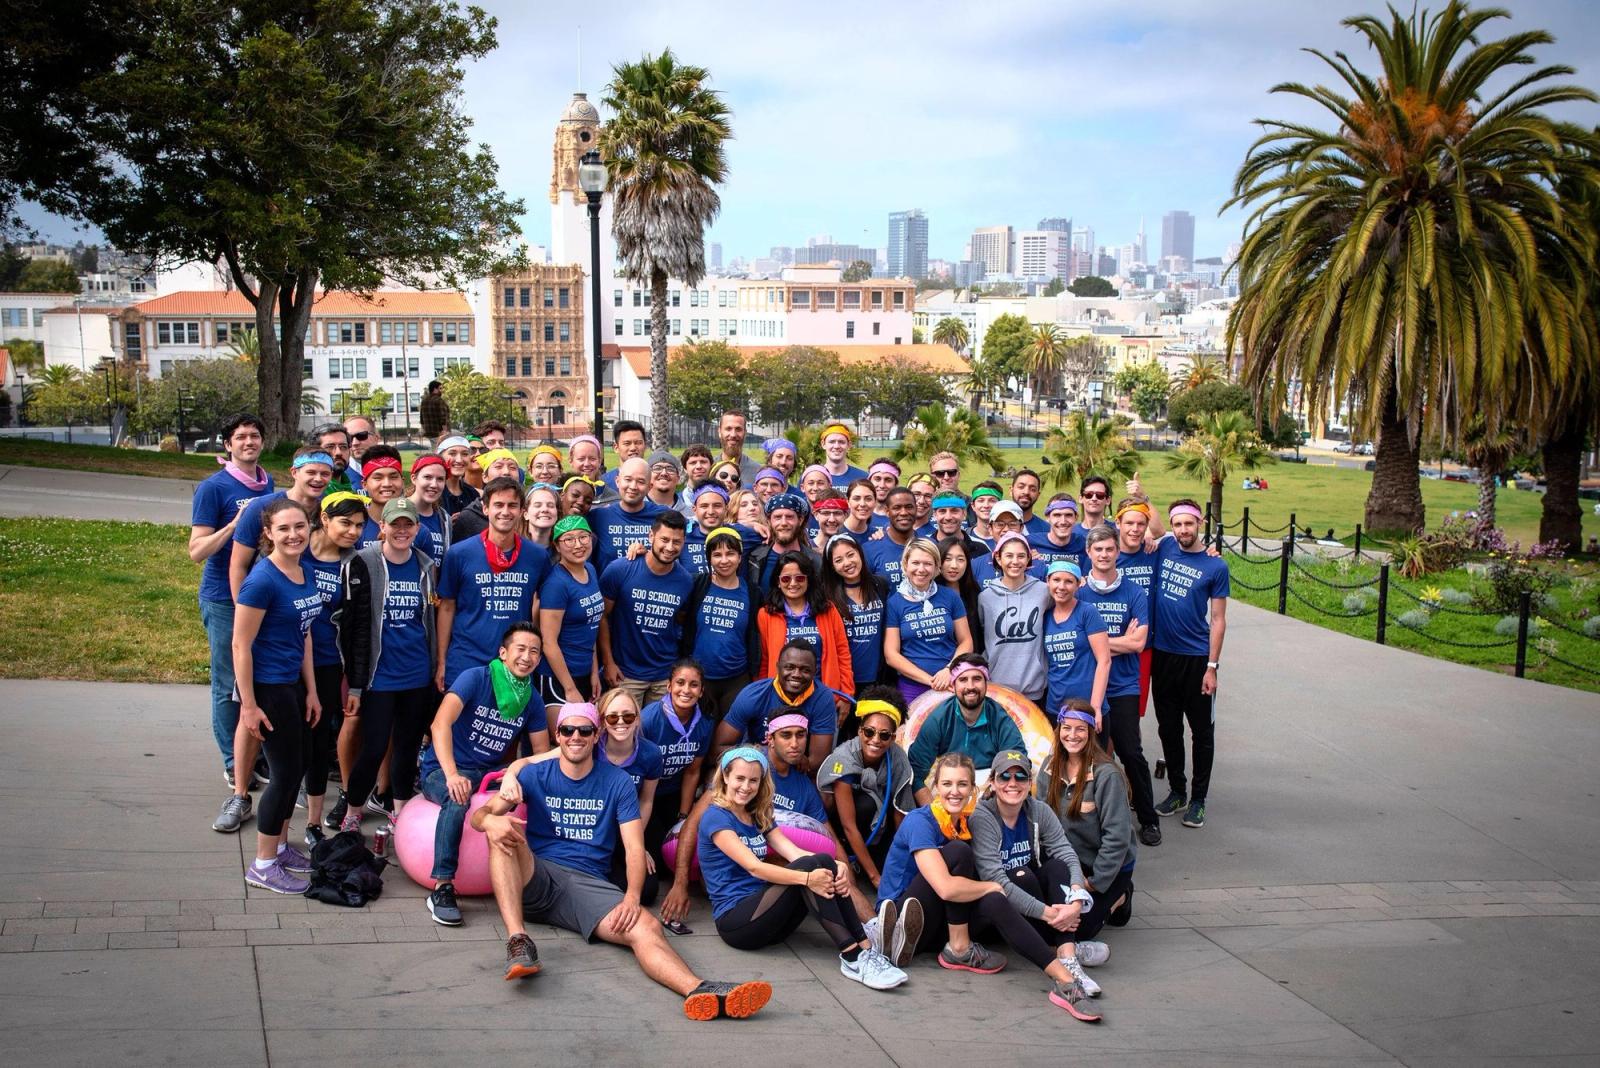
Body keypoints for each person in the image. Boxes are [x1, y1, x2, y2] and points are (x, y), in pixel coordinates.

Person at [473, 703, 773, 1020]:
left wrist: (632, 896)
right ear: (557, 736)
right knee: (501, 833)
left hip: (586, 885)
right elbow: (481, 815)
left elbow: (633, 846)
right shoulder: (534, 774)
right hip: (537, 875)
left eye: (585, 731)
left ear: (596, 736)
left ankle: (699, 989)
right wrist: (490, 821)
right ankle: (518, 940)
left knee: (646, 925)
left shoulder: (617, 781)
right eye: (568, 730)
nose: (576, 737)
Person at [876, 752, 1101, 1021]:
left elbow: (1063, 853)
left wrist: (1074, 898)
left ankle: (1064, 978)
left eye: (962, 784)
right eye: (947, 784)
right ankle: (920, 940)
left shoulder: (963, 823)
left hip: (941, 923)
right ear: (935, 787)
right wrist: (991, 886)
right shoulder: (920, 820)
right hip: (907, 912)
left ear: (973, 789)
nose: (955, 791)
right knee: (961, 855)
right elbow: (946, 889)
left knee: (996, 899)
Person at [697, 746, 908, 990]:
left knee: (822, 861)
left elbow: (793, 852)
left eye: (753, 780)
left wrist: (836, 864)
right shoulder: (716, 816)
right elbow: (755, 868)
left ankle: (866, 949)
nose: (746, 786)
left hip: (770, 920)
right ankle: (852, 957)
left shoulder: (757, 814)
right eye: (740, 778)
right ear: (725, 776)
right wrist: (808, 879)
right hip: (738, 924)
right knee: (810, 868)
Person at [417, 623, 550, 926]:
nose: (527, 657)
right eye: (520, 649)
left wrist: (517, 776)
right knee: (457, 799)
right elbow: (440, 724)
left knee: (530, 787)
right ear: (503, 652)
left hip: (490, 772)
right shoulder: (475, 678)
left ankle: (533, 874)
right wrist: (452, 775)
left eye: (534, 652)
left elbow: (541, 752)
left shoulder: (531, 698)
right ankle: (443, 886)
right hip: (443, 768)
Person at [232, 497, 323, 894]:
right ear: (268, 533)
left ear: (310, 527)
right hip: (268, 688)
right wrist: (249, 706)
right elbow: (240, 645)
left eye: (299, 526)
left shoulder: (305, 571)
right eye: (283, 528)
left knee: (297, 767)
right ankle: (263, 864)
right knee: (283, 775)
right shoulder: (262, 581)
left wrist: (312, 691)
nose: (293, 535)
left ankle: (281, 847)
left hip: (293, 685)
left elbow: (304, 634)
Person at [971, 748, 1108, 1006]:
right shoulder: (983, 817)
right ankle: (1065, 951)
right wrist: (1051, 914)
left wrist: (1076, 899)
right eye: (1005, 777)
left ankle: (1068, 955)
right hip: (996, 908)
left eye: (1020, 776)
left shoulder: (1038, 810)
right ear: (993, 782)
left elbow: (1067, 853)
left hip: (1033, 900)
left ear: (1030, 782)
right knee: (1020, 876)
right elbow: (997, 880)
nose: (1013, 783)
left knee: (1056, 867)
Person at [336, 496, 438, 833]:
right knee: (375, 747)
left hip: (417, 674)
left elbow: (430, 619)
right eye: (396, 524)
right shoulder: (362, 562)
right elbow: (352, 627)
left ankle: (400, 810)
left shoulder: (425, 565)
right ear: (382, 526)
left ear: (418, 528)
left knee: (407, 748)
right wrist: (354, 683)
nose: (402, 530)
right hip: (379, 676)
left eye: (409, 524)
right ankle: (354, 809)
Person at [191, 413, 276, 793]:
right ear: (227, 445)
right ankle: (232, 762)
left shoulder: (268, 483)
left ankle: (254, 754)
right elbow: (196, 551)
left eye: (254, 436)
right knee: (229, 683)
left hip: (262, 596)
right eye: (240, 437)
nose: (248, 442)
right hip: (224, 599)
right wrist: (235, 524)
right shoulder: (213, 488)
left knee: (256, 679)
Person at [1151, 499, 1230, 830]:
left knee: (1201, 732)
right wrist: (1142, 496)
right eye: (1178, 524)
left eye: (1189, 524)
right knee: (1168, 728)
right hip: (1162, 655)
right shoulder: (1165, 546)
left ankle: (1198, 799)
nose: (1183, 530)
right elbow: (1149, 526)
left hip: (1197, 659)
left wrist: (1212, 666)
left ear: (1200, 524)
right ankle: (1178, 791)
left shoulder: (1215, 565)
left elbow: (1219, 619)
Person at [1076, 527, 1158, 844]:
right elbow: (1078, 642)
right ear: (1089, 553)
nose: (1104, 555)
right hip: (1088, 684)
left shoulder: (1134, 592)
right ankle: (1089, 820)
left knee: (1130, 751)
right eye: (1098, 550)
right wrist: (1118, 640)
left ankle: (1148, 819)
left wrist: (1096, 642)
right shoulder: (1080, 592)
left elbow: (1138, 643)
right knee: (1089, 755)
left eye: (1110, 549)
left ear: (1117, 552)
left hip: (1123, 685)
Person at [435, 476, 550, 694]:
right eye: (498, 505)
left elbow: (544, 602)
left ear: (522, 511)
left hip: (516, 662)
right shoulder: (459, 554)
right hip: (466, 660)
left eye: (512, 505)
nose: (505, 512)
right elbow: (447, 607)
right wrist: (442, 661)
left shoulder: (537, 556)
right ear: (485, 509)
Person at [1037, 702, 1136, 956]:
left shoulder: (1107, 775)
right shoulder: (1049, 767)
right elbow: (1040, 822)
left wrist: (1092, 883)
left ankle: (1122, 895)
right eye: (1067, 728)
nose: (1072, 735)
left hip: (1101, 867)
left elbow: (1118, 838)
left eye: (1080, 729)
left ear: (1091, 732)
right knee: (1049, 921)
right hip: (1067, 862)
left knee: (1081, 928)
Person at [295, 492, 364, 838]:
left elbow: (359, 627)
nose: (353, 531)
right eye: (346, 523)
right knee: (289, 742)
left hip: (326, 662)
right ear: (324, 519)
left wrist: (354, 681)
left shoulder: (353, 564)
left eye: (359, 525)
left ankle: (312, 823)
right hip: (286, 660)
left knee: (319, 739)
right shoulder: (296, 551)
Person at [817, 688, 915, 894]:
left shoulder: (898, 759)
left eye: (884, 735)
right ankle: (854, 860)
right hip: (847, 826)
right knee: (866, 804)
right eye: (870, 732)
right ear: (860, 731)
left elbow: (900, 814)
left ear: (893, 738)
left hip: (880, 826)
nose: (876, 740)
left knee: (900, 876)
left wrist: (906, 855)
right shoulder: (844, 758)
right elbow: (848, 825)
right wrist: (875, 877)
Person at [599, 510, 695, 706]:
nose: (670, 547)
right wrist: (608, 662)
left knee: (659, 725)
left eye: (677, 542)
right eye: (664, 539)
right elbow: (602, 617)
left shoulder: (685, 581)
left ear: (684, 542)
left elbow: (680, 620)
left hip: (665, 675)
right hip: (625, 673)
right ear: (651, 536)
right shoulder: (620, 569)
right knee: (623, 723)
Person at [905, 655, 1024, 802]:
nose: (970, 686)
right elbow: (915, 772)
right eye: (963, 680)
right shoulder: (939, 718)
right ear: (953, 685)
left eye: (977, 679)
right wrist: (932, 813)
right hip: (949, 787)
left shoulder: (999, 718)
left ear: (986, 683)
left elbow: (1018, 761)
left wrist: (991, 798)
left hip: (990, 789)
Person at [227, 447, 333, 609]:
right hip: (268, 600)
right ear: (294, 472)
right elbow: (238, 565)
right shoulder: (261, 507)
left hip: (311, 602)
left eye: (325, 474)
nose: (318, 479)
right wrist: (242, 609)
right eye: (311, 472)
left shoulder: (330, 508)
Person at [715, 641, 840, 772]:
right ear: (778, 667)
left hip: (799, 771)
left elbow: (817, 761)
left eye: (805, 670)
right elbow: (718, 749)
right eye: (789, 667)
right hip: (755, 765)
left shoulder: (823, 698)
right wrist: (764, 755)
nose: (796, 674)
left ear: (815, 671)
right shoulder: (753, 695)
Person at [677, 527, 762, 719]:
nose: (724, 560)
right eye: (717, 555)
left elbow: (754, 633)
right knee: (702, 729)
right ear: (709, 558)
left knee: (731, 731)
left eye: (730, 553)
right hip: (699, 677)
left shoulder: (752, 592)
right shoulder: (697, 584)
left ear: (740, 557)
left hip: (737, 678)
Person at [883, 539, 973, 704]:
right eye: (915, 563)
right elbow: (891, 655)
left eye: (928, 564)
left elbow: (966, 641)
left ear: (937, 567)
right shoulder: (894, 603)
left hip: (951, 681)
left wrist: (949, 670)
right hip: (912, 687)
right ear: (905, 565)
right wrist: (931, 681)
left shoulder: (950, 597)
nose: (921, 569)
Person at [640, 660, 714, 858]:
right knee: (658, 853)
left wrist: (683, 817)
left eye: (694, 685)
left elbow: (692, 771)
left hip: (673, 792)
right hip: (644, 793)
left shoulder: (705, 723)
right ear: (669, 686)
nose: (686, 690)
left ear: (701, 691)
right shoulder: (648, 720)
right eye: (680, 683)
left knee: (681, 846)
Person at [757, 550, 854, 698]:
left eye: (800, 578)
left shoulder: (828, 610)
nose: (793, 583)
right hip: (781, 698)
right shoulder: (766, 614)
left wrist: (846, 695)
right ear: (778, 582)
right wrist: (765, 697)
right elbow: (764, 661)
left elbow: (843, 654)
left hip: (824, 695)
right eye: (786, 579)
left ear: (809, 580)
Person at [538, 515, 604, 711]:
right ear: (557, 546)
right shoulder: (556, 584)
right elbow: (548, 642)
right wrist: (570, 688)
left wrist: (594, 672)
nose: (578, 545)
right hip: (558, 678)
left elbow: (591, 626)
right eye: (569, 539)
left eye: (583, 537)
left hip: (585, 673)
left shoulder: (590, 570)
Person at [976, 533, 1050, 703]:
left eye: (1021, 556)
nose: (1015, 561)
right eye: (1009, 556)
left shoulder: (1044, 592)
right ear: (998, 558)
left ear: (1029, 559)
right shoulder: (985, 597)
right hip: (996, 689)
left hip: (1034, 688)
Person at [820, 534, 889, 696]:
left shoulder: (880, 585)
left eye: (850, 555)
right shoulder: (826, 596)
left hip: (880, 677)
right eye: (838, 560)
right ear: (832, 567)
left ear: (860, 553)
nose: (847, 563)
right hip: (845, 680)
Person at [1043, 561, 1111, 724]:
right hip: (1056, 706)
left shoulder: (1087, 612)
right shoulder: (1045, 616)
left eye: (1069, 581)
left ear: (1078, 584)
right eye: (1056, 580)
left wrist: (1095, 707)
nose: (1061, 586)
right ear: (1048, 581)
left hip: (1087, 706)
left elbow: (1104, 660)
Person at [590, 457, 666, 563]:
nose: (633, 486)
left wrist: (649, 555)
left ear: (649, 487)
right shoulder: (598, 517)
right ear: (617, 481)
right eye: (628, 480)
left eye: (640, 482)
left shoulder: (664, 516)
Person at [747, 491, 819, 591]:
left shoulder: (816, 561)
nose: (784, 523)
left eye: (789, 517)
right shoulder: (753, 557)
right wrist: (750, 524)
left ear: (800, 520)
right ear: (769, 521)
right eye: (778, 517)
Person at [452, 449, 524, 540]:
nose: (506, 472)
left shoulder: (528, 512)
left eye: (512, 468)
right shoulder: (469, 517)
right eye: (498, 466)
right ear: (485, 477)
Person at [936, 535, 983, 652]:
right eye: (947, 559)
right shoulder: (929, 594)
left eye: (960, 559)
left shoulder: (974, 591)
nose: (954, 566)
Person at [863, 487, 918, 585]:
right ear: (887, 512)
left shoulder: (929, 545)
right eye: (897, 508)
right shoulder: (869, 550)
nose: (904, 513)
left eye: (909, 507)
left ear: (916, 509)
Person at [355, 446, 406, 547]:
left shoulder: (417, 529)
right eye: (378, 478)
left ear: (402, 482)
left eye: (393, 477)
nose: (387, 484)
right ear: (364, 485)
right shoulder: (353, 527)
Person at [410, 454, 454, 567]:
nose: (434, 485)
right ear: (414, 478)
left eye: (440, 479)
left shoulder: (444, 519)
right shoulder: (397, 511)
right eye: (428, 477)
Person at [1030, 495, 1085, 569]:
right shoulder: (1030, 543)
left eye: (1068, 515)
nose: (1063, 521)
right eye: (1057, 515)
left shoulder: (1084, 545)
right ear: (1048, 517)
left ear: (1076, 518)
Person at [600, 420, 648, 496]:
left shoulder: (654, 480)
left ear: (645, 446)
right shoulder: (603, 483)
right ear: (616, 447)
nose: (633, 448)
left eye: (638, 443)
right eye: (627, 443)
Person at [435, 435, 480, 517]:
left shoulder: (472, 494)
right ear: (440, 457)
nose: (459, 460)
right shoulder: (433, 492)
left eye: (465, 454)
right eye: (452, 454)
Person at [716, 410, 763, 486]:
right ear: (719, 432)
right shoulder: (708, 469)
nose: (733, 435)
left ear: (745, 433)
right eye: (728, 429)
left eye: (738, 429)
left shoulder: (758, 472)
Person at [308, 422, 355, 493]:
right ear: (314, 452)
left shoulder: (351, 490)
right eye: (330, 447)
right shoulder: (310, 495)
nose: (338, 452)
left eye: (343, 447)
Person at [820, 423, 867, 488]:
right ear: (823, 444)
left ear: (849, 445)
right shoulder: (812, 478)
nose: (836, 446)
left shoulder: (863, 478)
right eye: (832, 442)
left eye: (841, 442)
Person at [1010, 468, 1048, 537]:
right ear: (1011, 490)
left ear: (1038, 495)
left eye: (1032, 489)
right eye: (1021, 487)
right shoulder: (997, 527)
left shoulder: (1047, 531)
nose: (1026, 492)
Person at [967, 482, 1004, 553]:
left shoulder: (1008, 538)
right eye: (981, 501)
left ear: (1000, 505)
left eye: (992, 500)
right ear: (973, 506)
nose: (986, 505)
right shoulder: (964, 537)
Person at [344, 415, 377, 494]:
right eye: (349, 438)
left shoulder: (390, 471)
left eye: (361, 436)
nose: (355, 443)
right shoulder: (338, 475)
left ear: (376, 438)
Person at [523, 482, 560, 548]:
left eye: (550, 506)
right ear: (526, 514)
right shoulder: (511, 547)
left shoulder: (564, 550)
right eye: (537, 505)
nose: (545, 509)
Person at [678, 445, 714, 510]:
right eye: (693, 463)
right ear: (685, 469)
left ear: (711, 466)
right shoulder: (677, 500)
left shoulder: (721, 497)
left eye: (703, 462)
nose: (698, 466)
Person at [906, 473, 937, 538]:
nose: (921, 501)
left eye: (928, 496)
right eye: (917, 494)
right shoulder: (889, 529)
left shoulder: (936, 536)